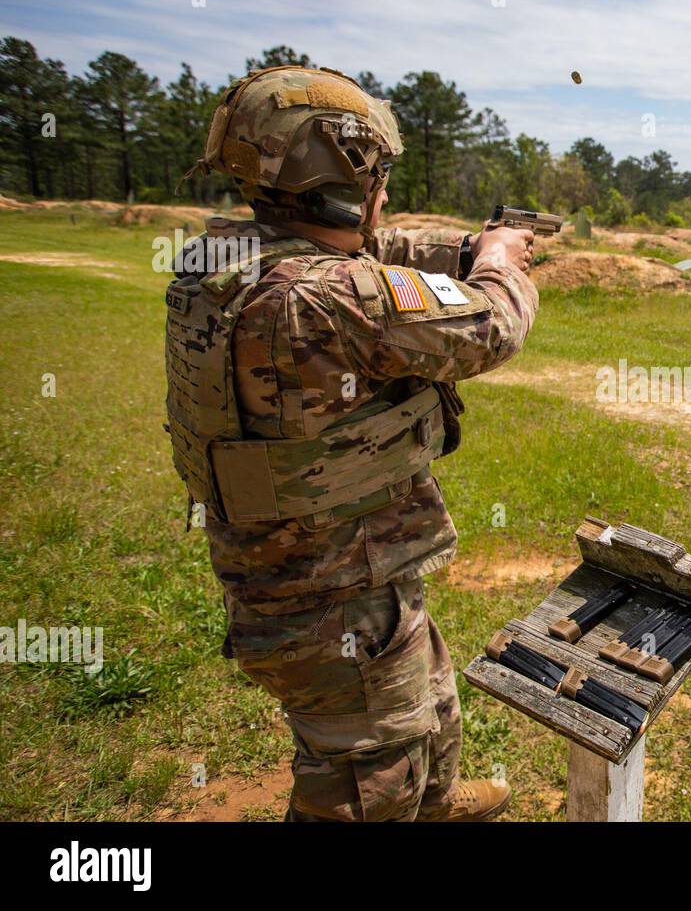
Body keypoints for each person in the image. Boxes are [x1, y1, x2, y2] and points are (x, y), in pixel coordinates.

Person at [165, 65, 538, 820]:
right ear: (345, 172)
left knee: (421, 693)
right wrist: (500, 263)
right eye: (377, 175)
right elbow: (493, 325)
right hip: (335, 592)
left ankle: (433, 799)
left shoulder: (222, 260)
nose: (386, 194)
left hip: (306, 571)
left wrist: (466, 242)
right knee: (367, 772)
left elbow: (373, 249)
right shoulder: (328, 297)